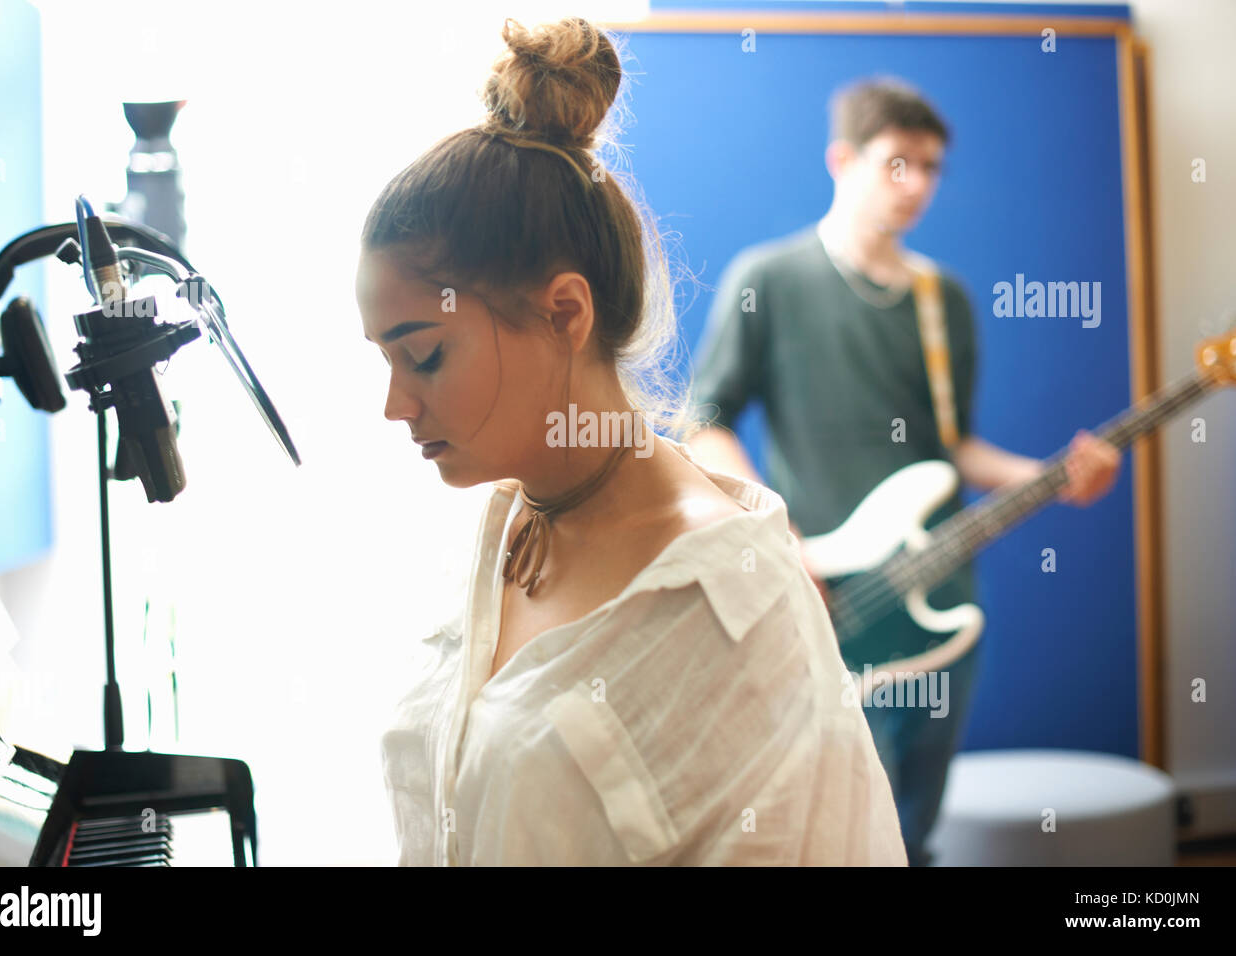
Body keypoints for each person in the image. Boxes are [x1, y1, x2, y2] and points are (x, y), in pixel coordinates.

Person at [363, 18, 907, 866]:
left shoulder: (730, 601)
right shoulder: (496, 521)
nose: (395, 405)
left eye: (424, 356)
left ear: (564, 314)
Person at [687, 77, 1121, 866]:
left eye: (930, 167)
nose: (918, 184)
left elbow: (953, 448)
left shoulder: (940, 299)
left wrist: (1057, 473)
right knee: (830, 829)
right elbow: (702, 421)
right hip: (824, 594)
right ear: (842, 160)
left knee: (909, 830)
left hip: (942, 594)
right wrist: (779, 534)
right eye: (898, 163)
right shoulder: (768, 280)